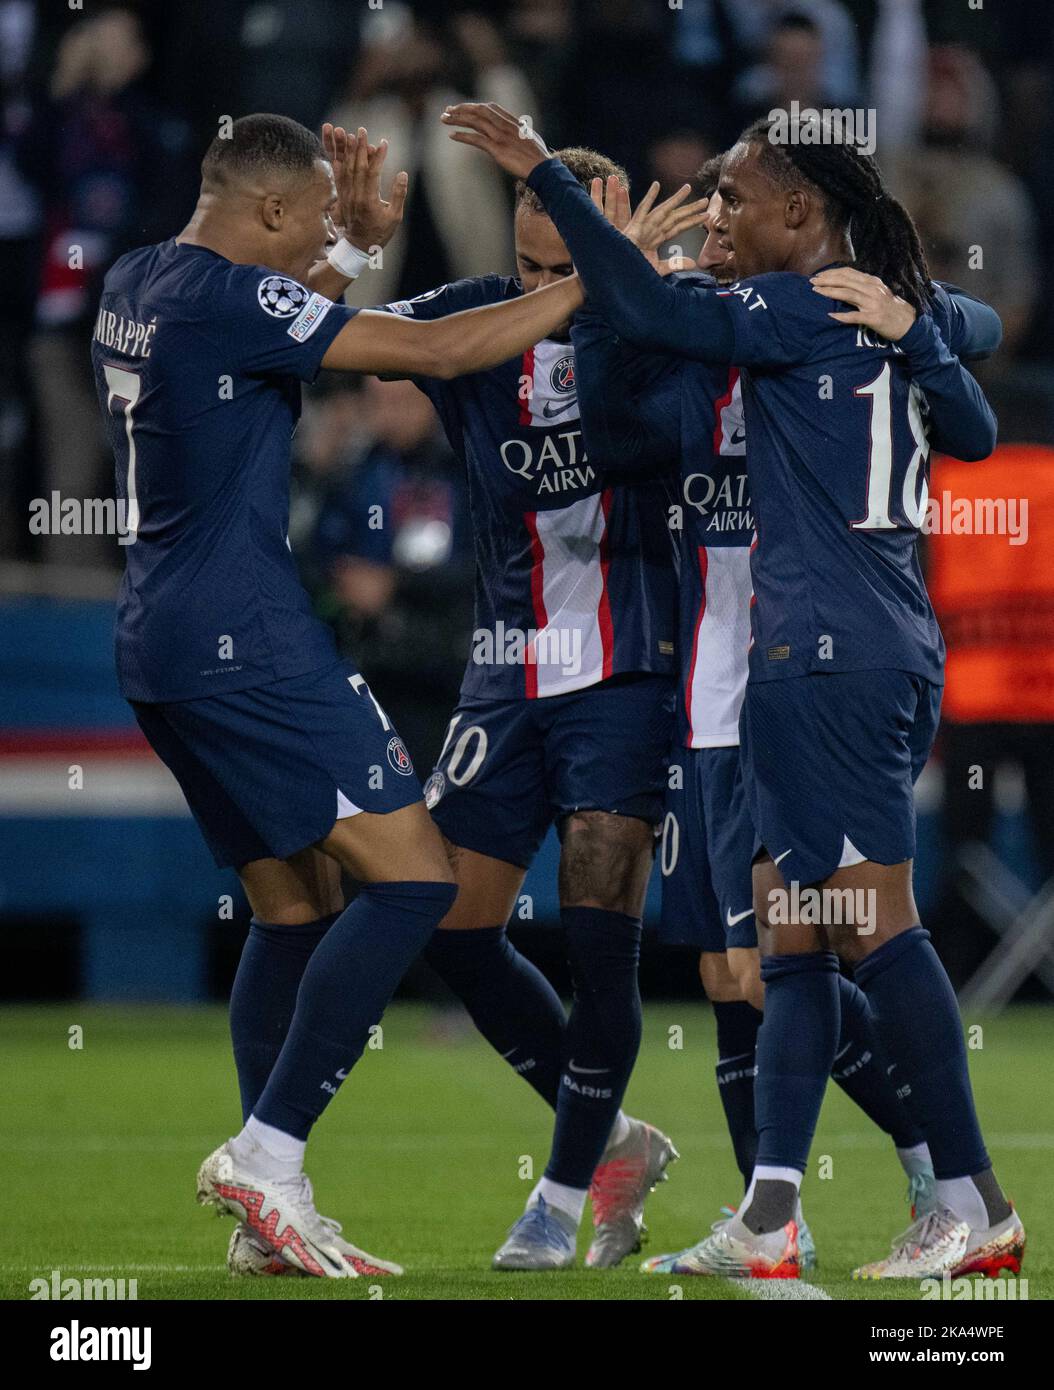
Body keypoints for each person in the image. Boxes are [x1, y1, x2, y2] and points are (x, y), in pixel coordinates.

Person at [441, 101, 1025, 1282]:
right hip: (787, 662)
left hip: (829, 649)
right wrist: (917, 324)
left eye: (734, 206)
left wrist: (554, 182)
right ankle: (773, 1216)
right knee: (791, 946)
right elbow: (970, 411)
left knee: (867, 929)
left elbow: (656, 312)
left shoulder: (797, 305)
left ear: (798, 214)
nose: (717, 226)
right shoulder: (826, 311)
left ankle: (970, 1198)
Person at [90, 112, 589, 1280]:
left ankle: (275, 1201)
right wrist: (595, 287)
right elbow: (440, 353)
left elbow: (274, 316)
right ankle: (266, 1154)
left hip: (157, 635)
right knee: (415, 877)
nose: (335, 227)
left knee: (293, 911)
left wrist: (350, 253)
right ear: (266, 210)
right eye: (315, 214)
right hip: (244, 635)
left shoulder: (137, 276)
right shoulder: (226, 299)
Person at [371, 147, 681, 1273]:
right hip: (506, 668)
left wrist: (639, 295)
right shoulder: (467, 319)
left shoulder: (662, 316)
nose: (548, 285)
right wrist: (357, 243)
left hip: (625, 668)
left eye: (571, 262)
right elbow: (329, 338)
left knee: (603, 940)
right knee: (448, 922)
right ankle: (615, 1142)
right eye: (530, 261)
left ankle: (556, 1196)